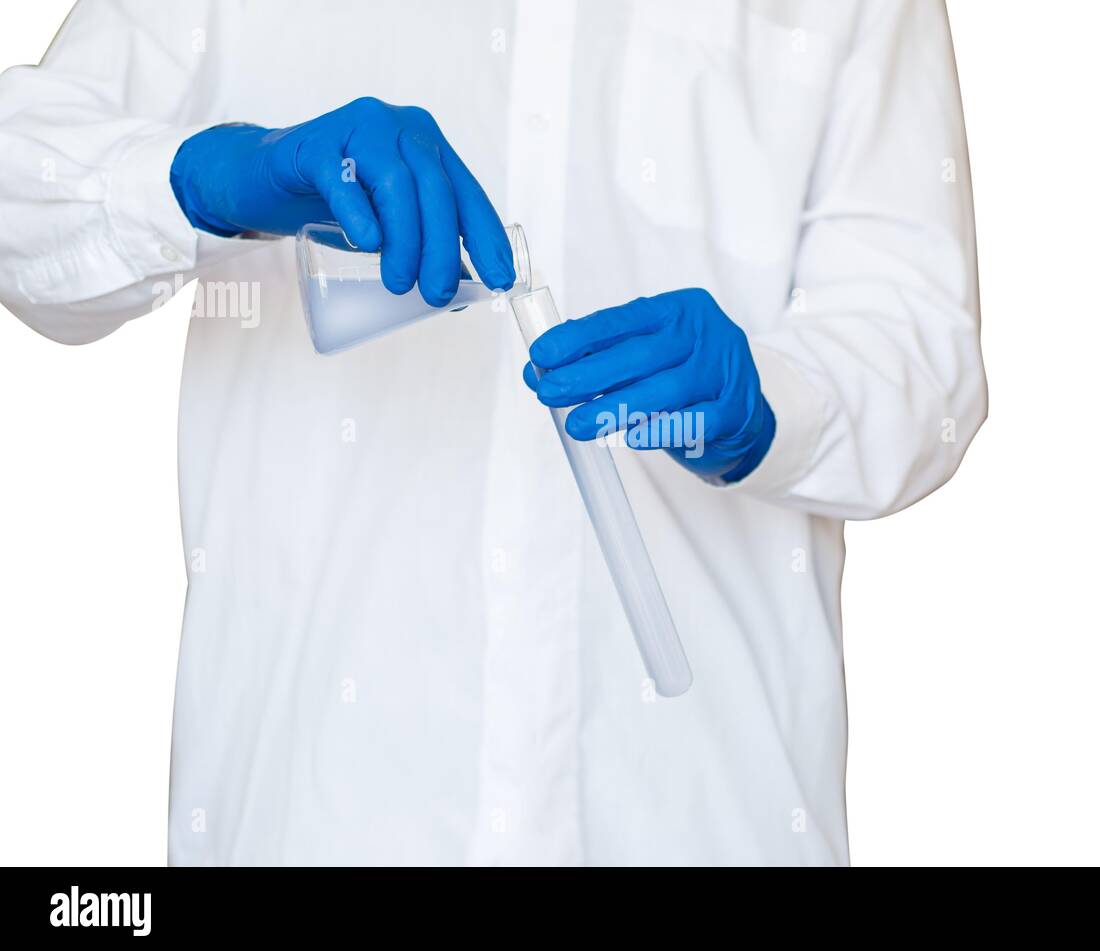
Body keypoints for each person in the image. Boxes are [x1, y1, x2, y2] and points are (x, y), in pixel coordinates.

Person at [0, 0, 986, 865]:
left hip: (697, 816)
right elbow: (18, 179)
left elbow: (925, 351)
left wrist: (771, 406)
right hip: (321, 816)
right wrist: (208, 178)